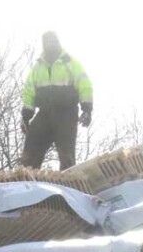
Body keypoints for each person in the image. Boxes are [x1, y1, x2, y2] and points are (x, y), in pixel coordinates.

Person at [20, 31, 93, 170]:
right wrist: (26, 116)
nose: (50, 45)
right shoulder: (38, 67)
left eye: (53, 41)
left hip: (66, 113)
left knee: (66, 155)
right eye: (47, 42)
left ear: (58, 42)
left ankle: (67, 184)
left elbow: (84, 85)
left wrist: (87, 109)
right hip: (45, 113)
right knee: (30, 151)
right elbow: (29, 92)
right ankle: (25, 181)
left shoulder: (70, 63)